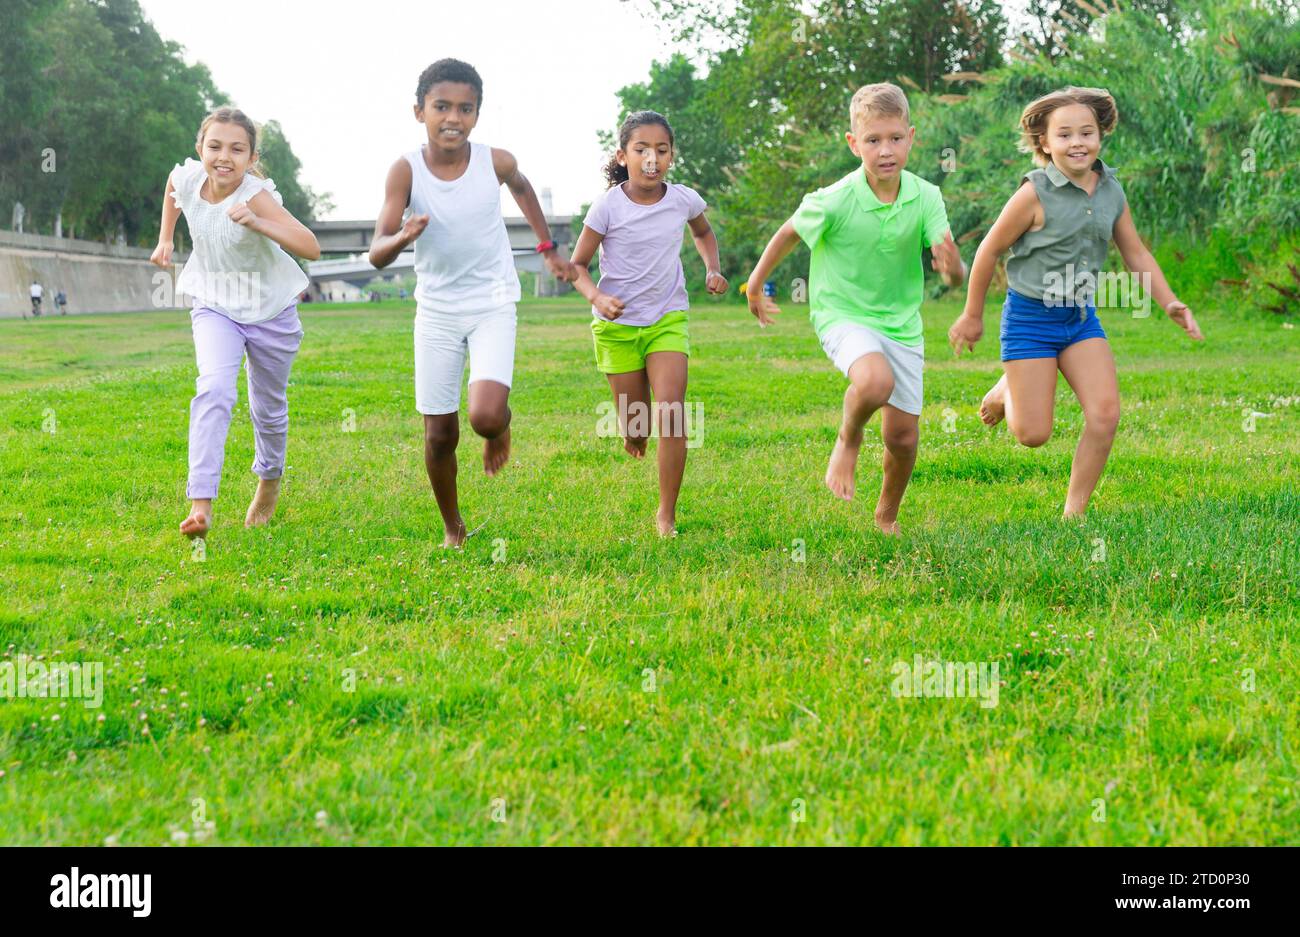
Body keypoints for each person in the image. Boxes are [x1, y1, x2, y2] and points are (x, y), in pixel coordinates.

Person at [947, 86, 1203, 517]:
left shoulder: (1111, 191)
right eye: (1064, 135)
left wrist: (1170, 302)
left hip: (1080, 319)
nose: (1077, 142)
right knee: (1032, 435)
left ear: (1101, 135)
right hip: (1030, 319)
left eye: (1087, 132)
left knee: (1105, 415)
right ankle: (1008, 385)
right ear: (1044, 143)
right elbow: (989, 250)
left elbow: (1135, 251)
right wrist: (973, 315)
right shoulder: (1035, 194)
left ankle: (1074, 511)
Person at [368, 58, 577, 547]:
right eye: (442, 107)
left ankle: (500, 425)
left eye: (465, 108)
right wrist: (402, 236)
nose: (453, 118)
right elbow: (377, 252)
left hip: (493, 301)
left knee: (483, 416)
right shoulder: (405, 170)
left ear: (477, 114)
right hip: (437, 312)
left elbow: (523, 189)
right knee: (439, 434)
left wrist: (547, 249)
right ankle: (453, 526)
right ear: (419, 111)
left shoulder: (495, 161)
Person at [746, 83, 965, 534]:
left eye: (895, 138)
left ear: (912, 137)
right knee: (874, 380)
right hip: (841, 313)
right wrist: (755, 283)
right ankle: (848, 437)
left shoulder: (926, 196)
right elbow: (789, 231)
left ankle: (886, 515)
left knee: (903, 438)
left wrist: (952, 269)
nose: (886, 150)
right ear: (853, 143)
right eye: (873, 140)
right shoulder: (837, 197)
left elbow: (952, 268)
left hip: (901, 323)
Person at [151, 105, 320, 539]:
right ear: (200, 149)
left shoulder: (255, 195)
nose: (224, 157)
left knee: (268, 409)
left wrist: (260, 223)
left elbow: (310, 246)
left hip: (270, 311)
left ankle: (268, 481)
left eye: (237, 149)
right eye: (215, 147)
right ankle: (201, 503)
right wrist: (166, 237)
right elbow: (173, 184)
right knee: (213, 388)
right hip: (215, 303)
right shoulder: (189, 178)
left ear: (250, 157)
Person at [569, 110, 726, 537]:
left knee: (672, 411)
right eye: (642, 150)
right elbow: (577, 267)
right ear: (623, 155)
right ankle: (633, 436)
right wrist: (598, 296)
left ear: (672, 155)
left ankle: (666, 514)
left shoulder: (683, 199)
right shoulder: (606, 206)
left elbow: (703, 232)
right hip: (617, 327)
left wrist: (712, 267)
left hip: (666, 318)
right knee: (638, 425)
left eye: (661, 149)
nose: (652, 158)